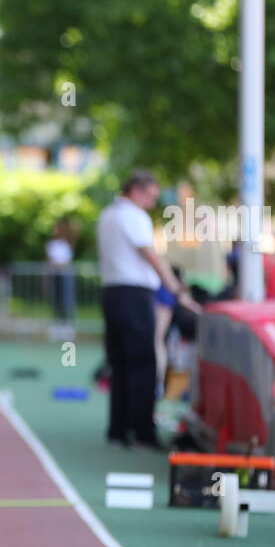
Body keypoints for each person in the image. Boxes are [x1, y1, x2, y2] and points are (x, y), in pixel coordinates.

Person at [96, 170, 199, 449]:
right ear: (137, 191)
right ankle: (142, 431)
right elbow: (152, 257)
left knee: (119, 363)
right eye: (151, 196)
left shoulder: (108, 215)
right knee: (143, 363)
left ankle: (118, 430)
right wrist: (177, 290)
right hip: (134, 294)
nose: (152, 203)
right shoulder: (133, 217)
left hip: (112, 292)